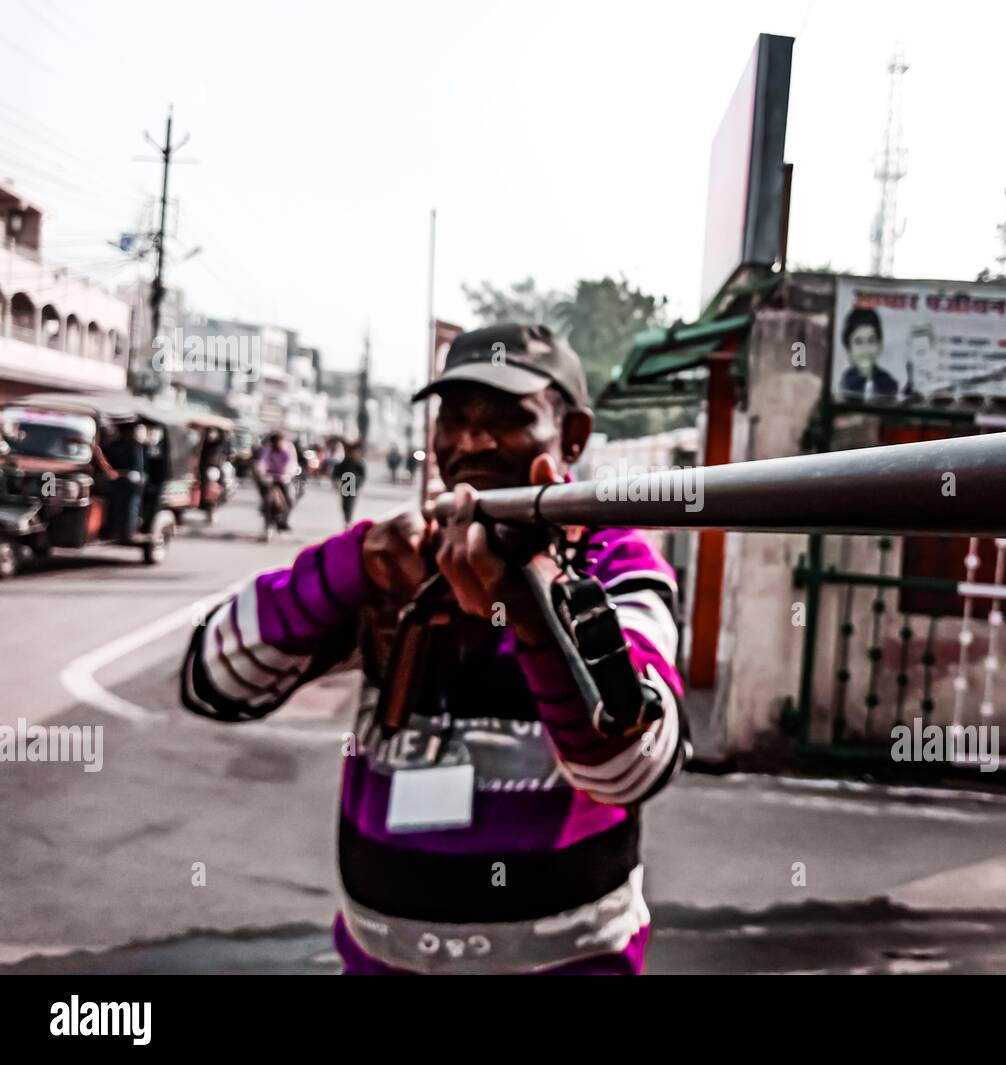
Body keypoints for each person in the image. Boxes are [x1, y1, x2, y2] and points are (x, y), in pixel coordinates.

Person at [180, 323, 687, 974]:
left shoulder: (614, 560)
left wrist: (537, 610)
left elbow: (635, 766)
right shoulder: (394, 557)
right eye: (455, 416)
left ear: (573, 435)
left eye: (509, 417)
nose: (472, 439)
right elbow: (215, 676)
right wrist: (351, 568)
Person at [839, 306, 911, 398]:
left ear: (879, 345)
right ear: (848, 348)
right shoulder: (845, 383)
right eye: (858, 342)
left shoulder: (889, 384)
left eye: (871, 340)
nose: (865, 349)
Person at [103, 421, 146, 543]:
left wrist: (120, 473)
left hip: (132, 485)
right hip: (115, 483)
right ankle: (111, 531)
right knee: (111, 505)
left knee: (130, 507)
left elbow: (137, 469)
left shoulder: (136, 447)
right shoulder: (114, 445)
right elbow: (106, 461)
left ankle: (128, 532)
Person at [253, 431, 300, 531]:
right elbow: (262, 462)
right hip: (270, 477)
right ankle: (264, 510)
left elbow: (292, 463)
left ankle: (284, 521)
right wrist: (262, 472)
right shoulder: (268, 450)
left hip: (283, 478)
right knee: (265, 495)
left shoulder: (288, 449)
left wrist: (287, 474)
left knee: (289, 499)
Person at [332, 441, 367, 528]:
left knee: (350, 503)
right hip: (345, 483)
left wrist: (359, 483)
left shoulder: (359, 462)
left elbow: (363, 475)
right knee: (344, 503)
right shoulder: (345, 461)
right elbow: (337, 471)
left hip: (353, 484)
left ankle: (348, 521)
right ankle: (347, 520)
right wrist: (336, 480)